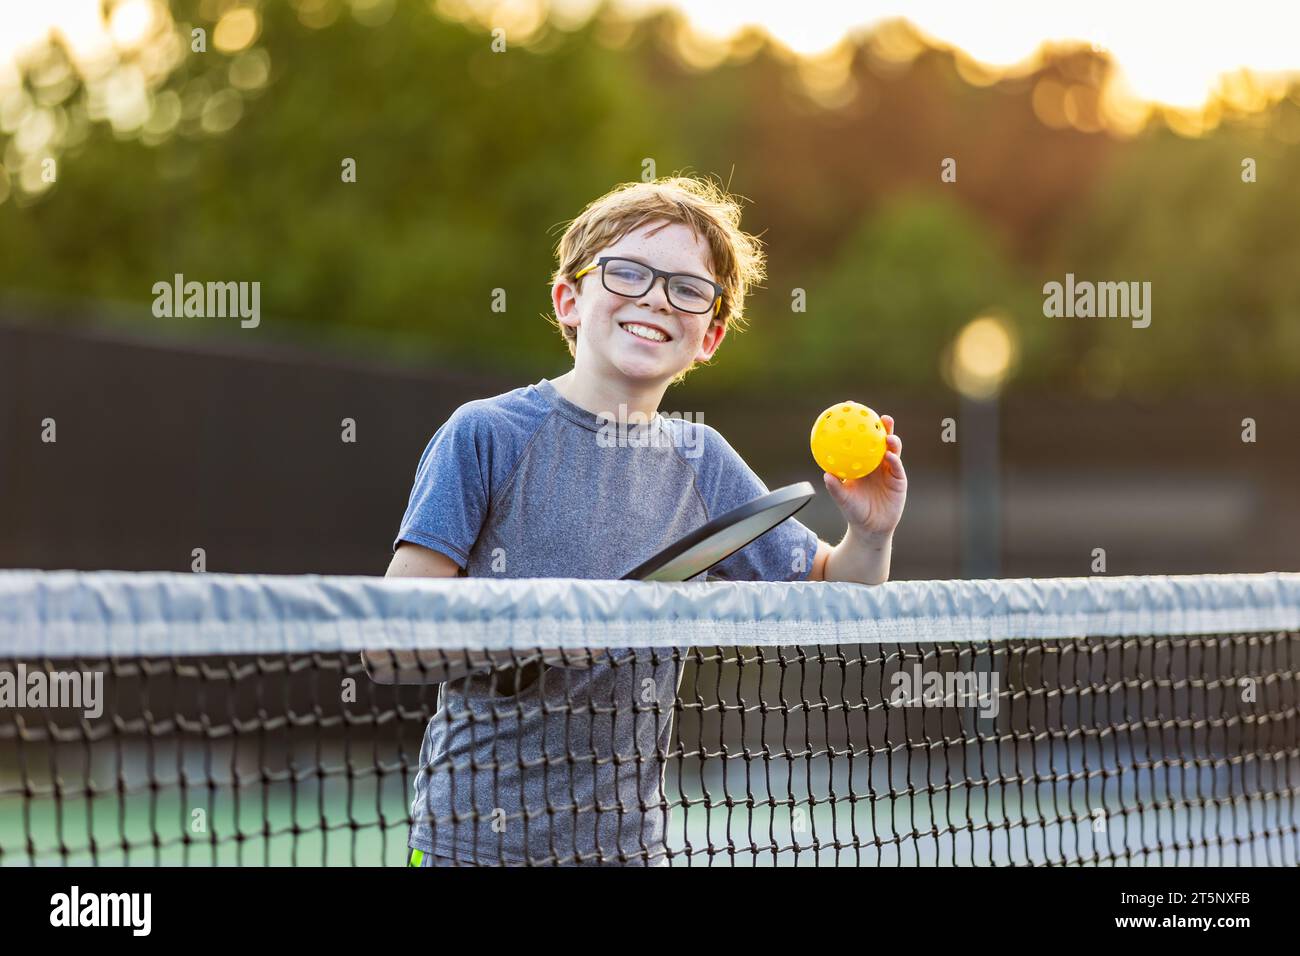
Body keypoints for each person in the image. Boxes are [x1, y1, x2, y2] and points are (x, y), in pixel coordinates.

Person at [363, 176, 908, 866]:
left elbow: (842, 598)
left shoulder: (702, 460)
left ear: (708, 337)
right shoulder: (485, 435)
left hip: (625, 852)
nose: (655, 297)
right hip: (469, 846)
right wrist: (544, 635)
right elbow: (388, 643)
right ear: (569, 299)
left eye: (687, 288)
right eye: (627, 273)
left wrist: (870, 532)